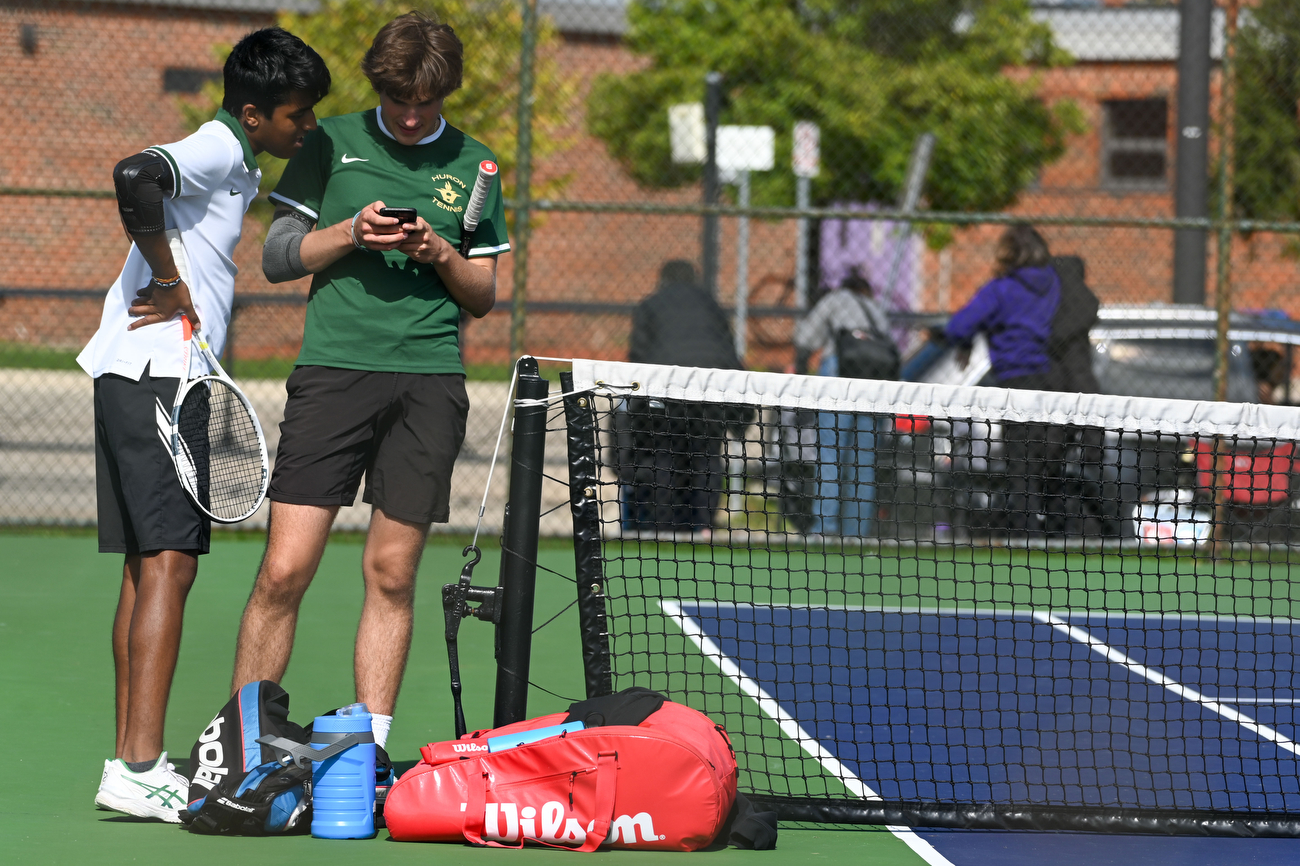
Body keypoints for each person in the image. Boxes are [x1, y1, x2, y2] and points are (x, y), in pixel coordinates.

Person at [231, 12, 508, 752]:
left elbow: (480, 294)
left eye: (424, 101)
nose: (410, 115)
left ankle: (371, 750)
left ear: (445, 91)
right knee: (286, 568)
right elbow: (279, 256)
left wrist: (438, 252)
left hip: (429, 384)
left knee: (391, 574)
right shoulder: (327, 143)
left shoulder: (476, 164)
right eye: (397, 99)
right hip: (333, 374)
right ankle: (244, 744)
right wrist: (352, 232)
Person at [77, 28, 330, 822]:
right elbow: (136, 175)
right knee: (170, 564)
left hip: (137, 374)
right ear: (254, 115)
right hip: (157, 374)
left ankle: (131, 759)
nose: (309, 127)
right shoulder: (220, 146)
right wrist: (169, 278)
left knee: (146, 567)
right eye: (299, 114)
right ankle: (140, 763)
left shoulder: (242, 157)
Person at [946, 224, 1062, 534]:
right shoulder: (1054, 284)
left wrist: (965, 339)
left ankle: (1029, 537)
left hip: (1018, 386)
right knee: (1045, 469)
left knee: (1021, 471)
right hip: (1053, 384)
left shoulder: (1001, 289)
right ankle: (1047, 532)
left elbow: (960, 325)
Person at [618, 261, 742, 533]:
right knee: (706, 454)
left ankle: (663, 527)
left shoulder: (649, 305)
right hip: (710, 392)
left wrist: (638, 404)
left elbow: (638, 356)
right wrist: (739, 414)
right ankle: (703, 526)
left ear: (662, 279)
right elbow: (729, 354)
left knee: (662, 454)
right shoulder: (712, 305)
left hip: (665, 395)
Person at [792, 269, 894, 537]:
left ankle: (823, 530)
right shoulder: (877, 311)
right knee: (863, 463)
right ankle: (855, 534)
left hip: (839, 373)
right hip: (875, 381)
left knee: (829, 454)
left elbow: (804, 338)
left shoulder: (835, 300)